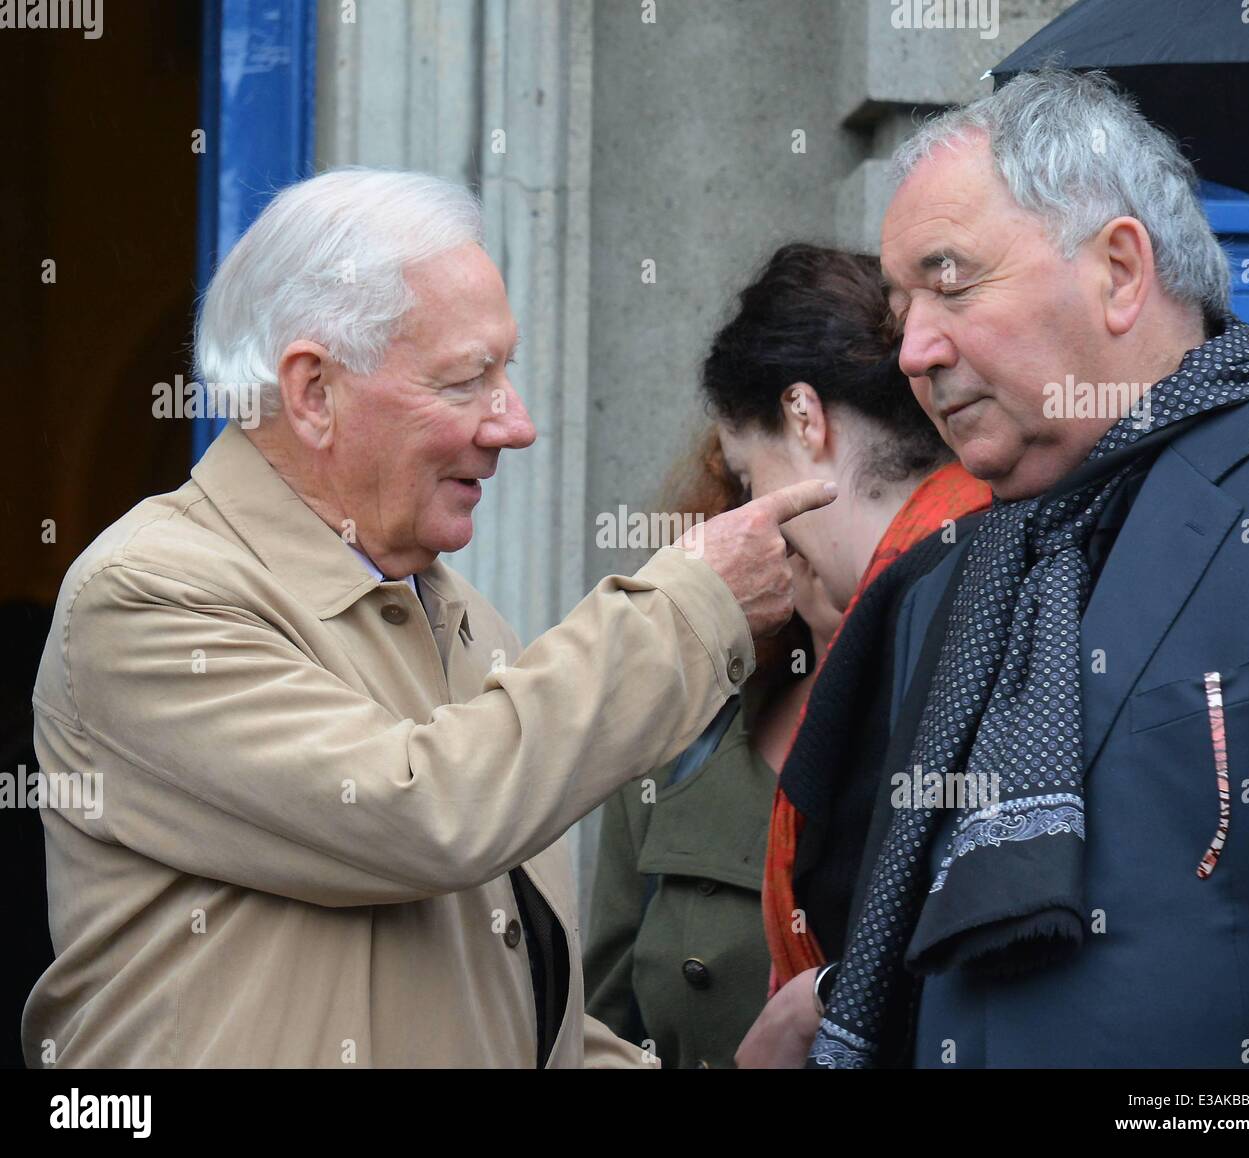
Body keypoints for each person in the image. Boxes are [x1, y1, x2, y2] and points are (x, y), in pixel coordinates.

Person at [21, 168, 837, 1068]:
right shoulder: (148, 595)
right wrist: (693, 606)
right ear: (313, 392)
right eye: (466, 381)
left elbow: (499, 1010)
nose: (515, 424)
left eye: (508, 373)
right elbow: (425, 813)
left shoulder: (464, 619)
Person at [796, 68, 1249, 1069]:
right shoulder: (935, 588)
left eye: (948, 280)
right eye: (900, 309)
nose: (911, 350)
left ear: (1117, 270)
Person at [584, 244, 988, 1068]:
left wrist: (824, 1005)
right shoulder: (977, 572)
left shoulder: (941, 614)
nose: (751, 521)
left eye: (747, 474)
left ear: (805, 417)